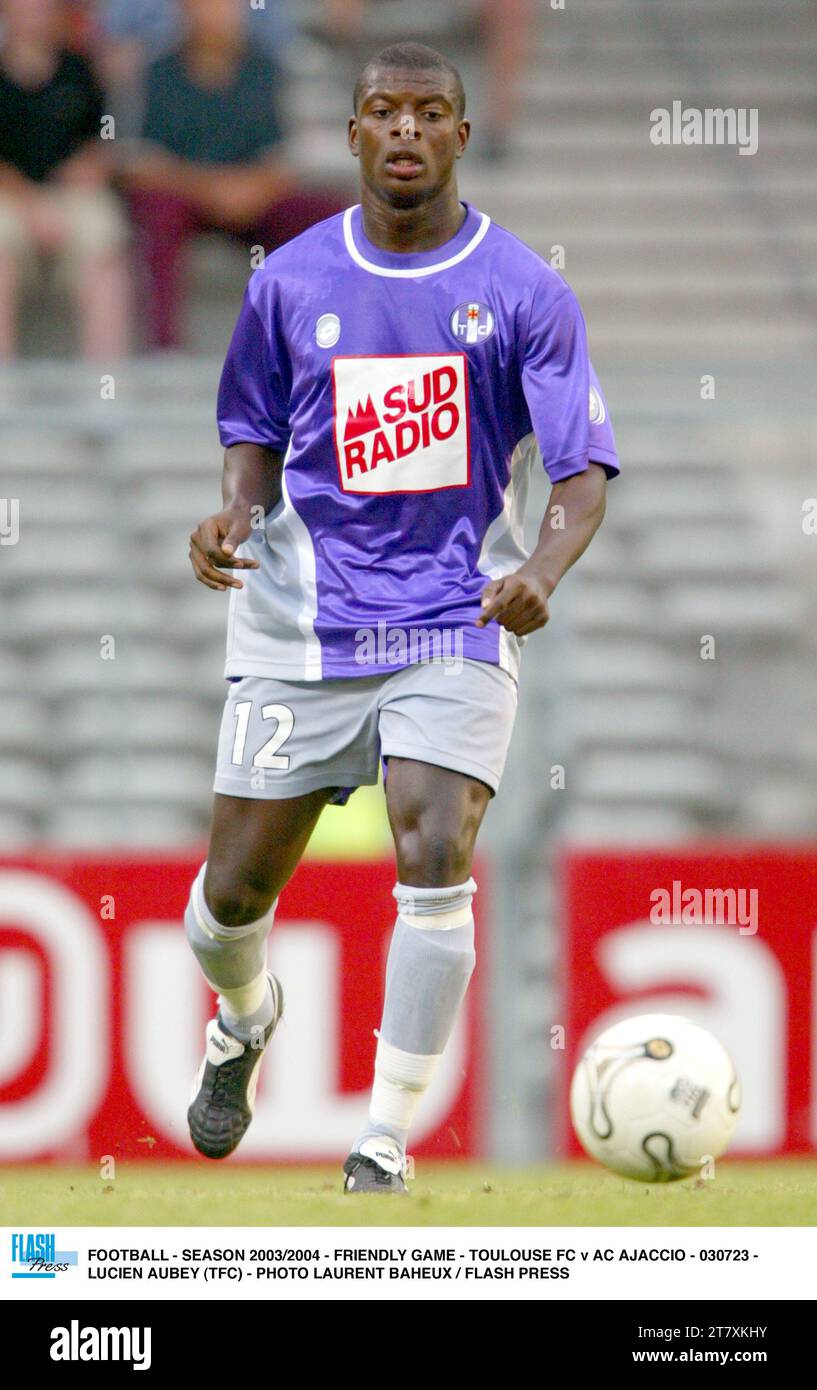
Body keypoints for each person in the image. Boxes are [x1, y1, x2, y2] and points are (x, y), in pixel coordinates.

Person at [185, 39, 619, 1193]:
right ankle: (243, 1019)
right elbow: (254, 431)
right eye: (384, 111)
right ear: (353, 134)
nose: (406, 131)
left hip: (451, 616)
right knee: (226, 905)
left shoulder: (526, 290)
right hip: (301, 625)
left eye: (430, 112)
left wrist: (546, 567)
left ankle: (382, 1135)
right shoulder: (288, 281)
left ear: (462, 135)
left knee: (433, 846)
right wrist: (233, 510)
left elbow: (581, 476)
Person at [121, 0, 348, 351]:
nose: (218, 16)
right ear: (184, 12)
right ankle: (164, 349)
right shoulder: (158, 72)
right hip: (184, 200)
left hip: (252, 199)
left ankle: (320, 341)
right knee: (157, 211)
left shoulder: (264, 69)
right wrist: (211, 189)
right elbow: (142, 164)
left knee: (329, 216)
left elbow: (283, 158)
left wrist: (251, 188)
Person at [0, 0, 130, 359]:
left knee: (103, 235)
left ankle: (106, 382)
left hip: (72, 196)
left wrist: (92, 163)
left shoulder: (79, 69)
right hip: (10, 197)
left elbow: (104, 139)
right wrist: (31, 204)